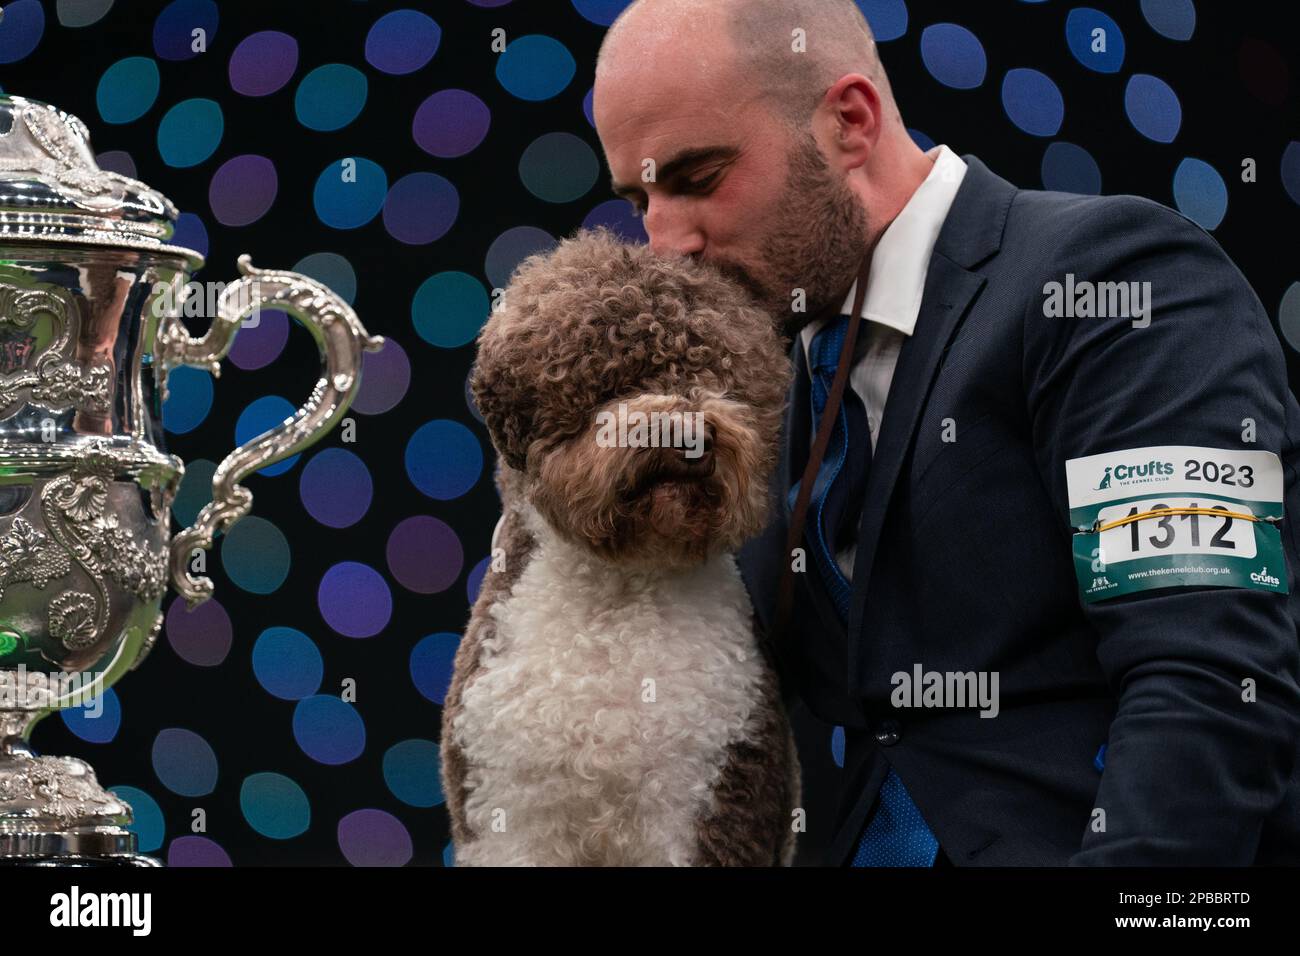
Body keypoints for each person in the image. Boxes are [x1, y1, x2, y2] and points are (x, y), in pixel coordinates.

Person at [592, 0, 1300, 866]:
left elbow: (1211, 683)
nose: (666, 246)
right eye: (640, 199)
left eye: (698, 179)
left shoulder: (1116, 283)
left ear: (848, 122)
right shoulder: (761, 378)